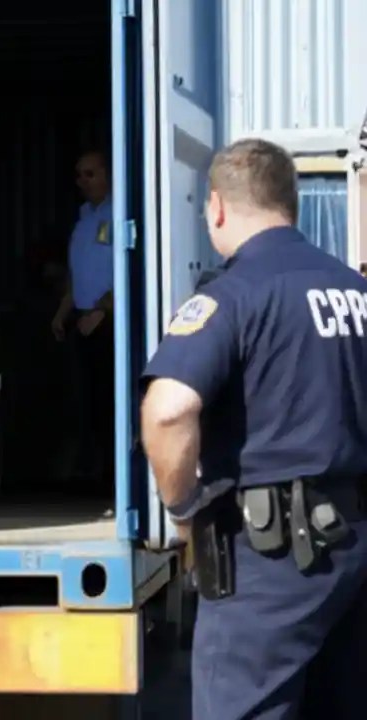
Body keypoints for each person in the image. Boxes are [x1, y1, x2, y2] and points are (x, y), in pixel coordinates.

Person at [140, 138, 367, 719]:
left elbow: (167, 409)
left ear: (216, 208)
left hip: (269, 566)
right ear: (288, 203)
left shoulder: (233, 295)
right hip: (354, 551)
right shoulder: (355, 293)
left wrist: (183, 506)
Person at [51, 149, 115, 494]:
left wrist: (103, 310)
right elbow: (79, 272)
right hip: (82, 319)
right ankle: (94, 471)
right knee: (85, 400)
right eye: (79, 175)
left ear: (108, 175)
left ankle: (113, 476)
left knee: (108, 399)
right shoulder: (84, 218)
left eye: (90, 174)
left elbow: (129, 269)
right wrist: (63, 312)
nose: (83, 182)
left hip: (107, 321)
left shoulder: (119, 214)